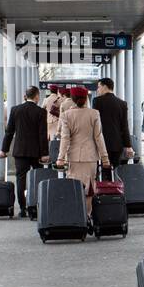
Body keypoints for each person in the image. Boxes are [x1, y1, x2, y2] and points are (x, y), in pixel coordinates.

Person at [57, 85, 109, 217]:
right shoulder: (94, 113)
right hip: (91, 157)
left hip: (73, 157)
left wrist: (60, 158)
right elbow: (99, 137)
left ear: (72, 99)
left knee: (74, 187)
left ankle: (76, 216)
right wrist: (105, 158)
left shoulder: (66, 115)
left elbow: (65, 138)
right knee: (89, 189)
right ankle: (87, 215)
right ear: (86, 98)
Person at [0, 86, 48, 217]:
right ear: (37, 96)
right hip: (36, 152)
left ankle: (23, 209)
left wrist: (4, 150)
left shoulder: (15, 110)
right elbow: (42, 134)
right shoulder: (41, 112)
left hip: (20, 151)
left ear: (25, 96)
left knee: (21, 179)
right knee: (38, 179)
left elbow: (9, 132)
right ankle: (36, 206)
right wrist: (44, 154)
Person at [93, 76, 133, 169]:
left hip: (102, 142)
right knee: (115, 169)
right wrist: (128, 145)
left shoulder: (97, 101)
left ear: (105, 86)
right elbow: (124, 126)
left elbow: (95, 123)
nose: (98, 90)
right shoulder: (122, 103)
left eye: (99, 87)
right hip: (117, 144)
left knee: (103, 169)